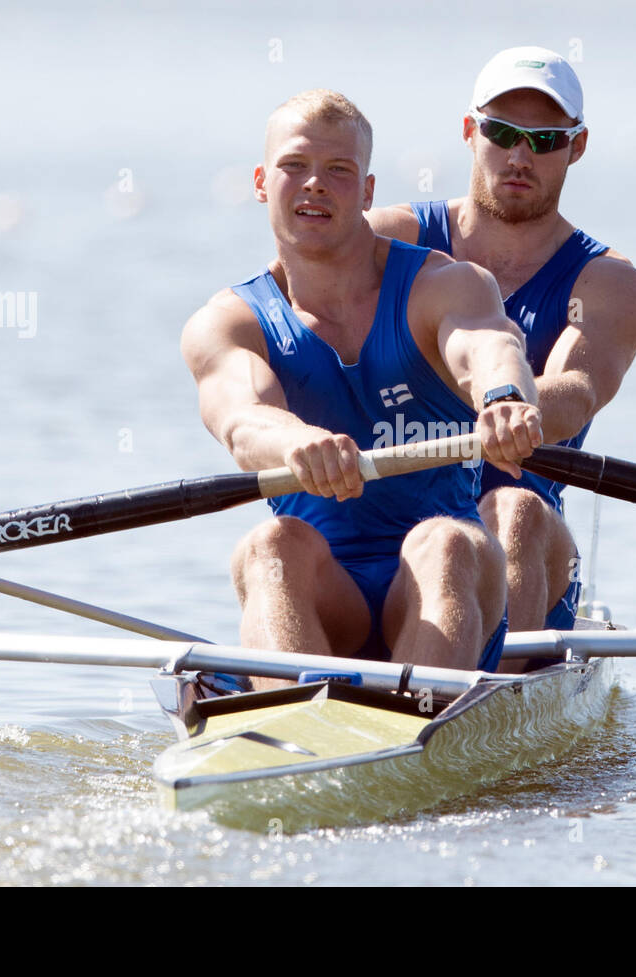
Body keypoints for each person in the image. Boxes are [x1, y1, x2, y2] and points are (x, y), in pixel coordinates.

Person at [181, 89, 544, 676]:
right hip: (327, 592)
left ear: (368, 192)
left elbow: (489, 347)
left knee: (445, 543)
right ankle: (299, 726)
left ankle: (422, 729)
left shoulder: (445, 286)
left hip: (442, 578)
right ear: (260, 181)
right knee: (271, 545)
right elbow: (242, 420)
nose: (315, 185)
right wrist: (295, 441)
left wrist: (504, 398)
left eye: (338, 171)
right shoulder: (229, 321)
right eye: (294, 166)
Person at [369, 46, 636, 656]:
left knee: (514, 508)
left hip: (526, 532)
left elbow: (575, 393)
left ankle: (495, 704)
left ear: (576, 148)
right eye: (502, 133)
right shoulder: (389, 240)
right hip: (389, 517)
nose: (520, 156)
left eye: (545, 140)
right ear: (471, 132)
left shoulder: (609, 285)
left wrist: (509, 409)